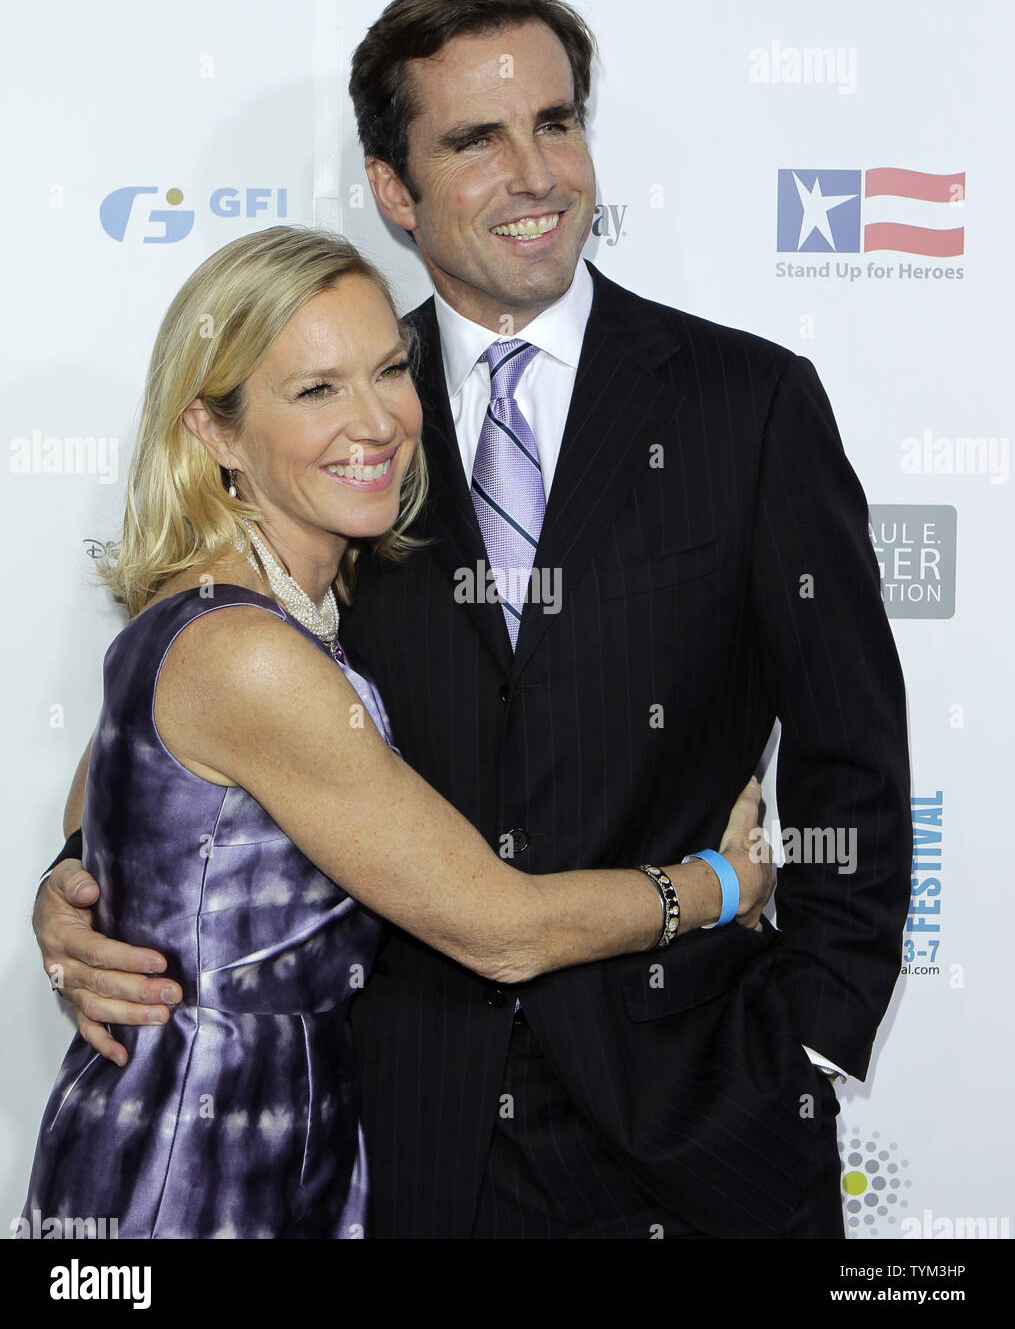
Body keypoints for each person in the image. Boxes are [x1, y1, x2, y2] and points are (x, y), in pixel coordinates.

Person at [35, 0, 911, 1240]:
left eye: (556, 123)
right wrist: (78, 895)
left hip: (702, 1110)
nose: (534, 172)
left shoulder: (747, 403)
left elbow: (855, 755)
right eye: (474, 140)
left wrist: (811, 1046)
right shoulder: (337, 424)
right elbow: (191, 721)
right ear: (392, 189)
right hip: (399, 1129)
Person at [21, 225, 771, 1240]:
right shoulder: (244, 652)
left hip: (302, 1124)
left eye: (388, 371)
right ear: (216, 429)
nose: (377, 420)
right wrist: (722, 885)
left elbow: (108, 808)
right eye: (316, 390)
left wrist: (67, 893)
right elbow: (501, 930)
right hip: (193, 1162)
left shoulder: (263, 606)